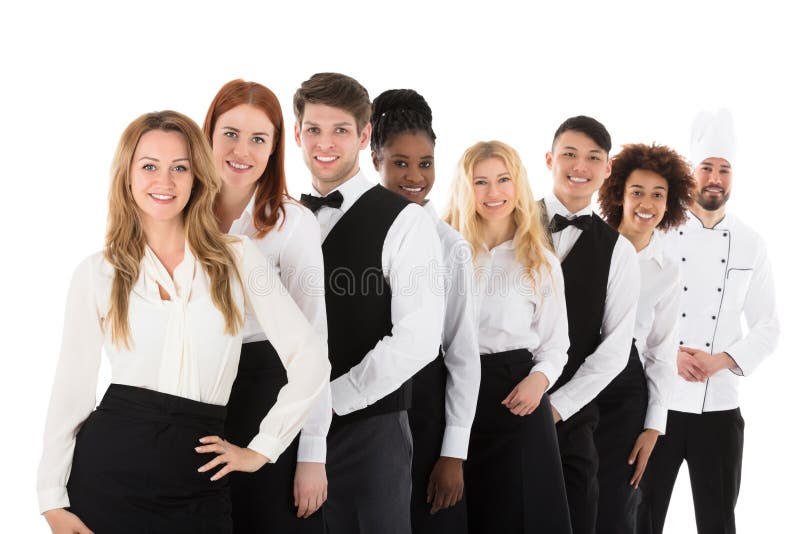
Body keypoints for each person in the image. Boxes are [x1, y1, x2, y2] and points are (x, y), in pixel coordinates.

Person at [36, 110, 330, 534]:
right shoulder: (96, 273)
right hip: (107, 476)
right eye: (149, 166)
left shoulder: (238, 258)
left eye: (179, 168)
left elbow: (311, 358)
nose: (165, 181)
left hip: (198, 479)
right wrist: (51, 500)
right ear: (127, 177)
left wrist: (263, 448)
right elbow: (71, 390)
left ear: (197, 178)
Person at [293, 72, 445, 534]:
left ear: (363, 136)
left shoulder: (406, 222)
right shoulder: (281, 216)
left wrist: (330, 402)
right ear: (297, 134)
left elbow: (419, 339)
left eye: (340, 130)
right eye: (314, 129)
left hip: (369, 433)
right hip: (284, 430)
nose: (325, 143)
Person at [636, 109, 780, 534]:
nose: (715, 178)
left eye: (724, 169)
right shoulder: (659, 233)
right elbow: (632, 315)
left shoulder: (751, 243)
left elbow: (768, 326)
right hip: (656, 405)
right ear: (691, 172)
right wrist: (671, 357)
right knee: (641, 519)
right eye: (706, 168)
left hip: (719, 407)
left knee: (718, 523)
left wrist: (719, 361)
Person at [203, 79, 331, 532]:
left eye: (258, 138)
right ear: (208, 134)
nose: (242, 150)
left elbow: (314, 337)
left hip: (264, 391)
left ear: (275, 148)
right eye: (230, 133)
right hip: (195, 389)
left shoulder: (292, 223)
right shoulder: (177, 211)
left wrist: (312, 454)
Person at [445, 140, 572, 534]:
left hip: (514, 396)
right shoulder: (444, 252)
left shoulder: (540, 261)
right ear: (465, 189)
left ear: (518, 184)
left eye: (503, 180)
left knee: (517, 516)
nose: (493, 192)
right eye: (480, 182)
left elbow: (556, 344)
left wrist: (539, 380)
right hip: (449, 391)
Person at [370, 88, 480, 533]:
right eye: (400, 163)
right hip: (363, 409)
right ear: (375, 159)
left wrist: (453, 453)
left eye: (426, 163)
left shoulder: (451, 246)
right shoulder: (358, 232)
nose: (414, 176)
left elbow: (463, 353)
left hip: (425, 409)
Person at [539, 115, 640, 534]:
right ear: (550, 160)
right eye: (569, 154)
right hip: (497, 404)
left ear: (607, 168)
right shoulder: (506, 221)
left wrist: (555, 408)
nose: (580, 166)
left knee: (577, 517)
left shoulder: (619, 251)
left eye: (593, 158)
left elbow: (615, 351)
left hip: (572, 416)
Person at [596, 143, 695, 533]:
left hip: (626, 390)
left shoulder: (667, 269)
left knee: (617, 505)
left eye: (658, 195)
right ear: (619, 193)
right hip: (575, 375)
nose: (647, 204)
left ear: (669, 203)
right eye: (637, 192)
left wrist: (654, 426)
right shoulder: (591, 246)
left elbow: (661, 351)